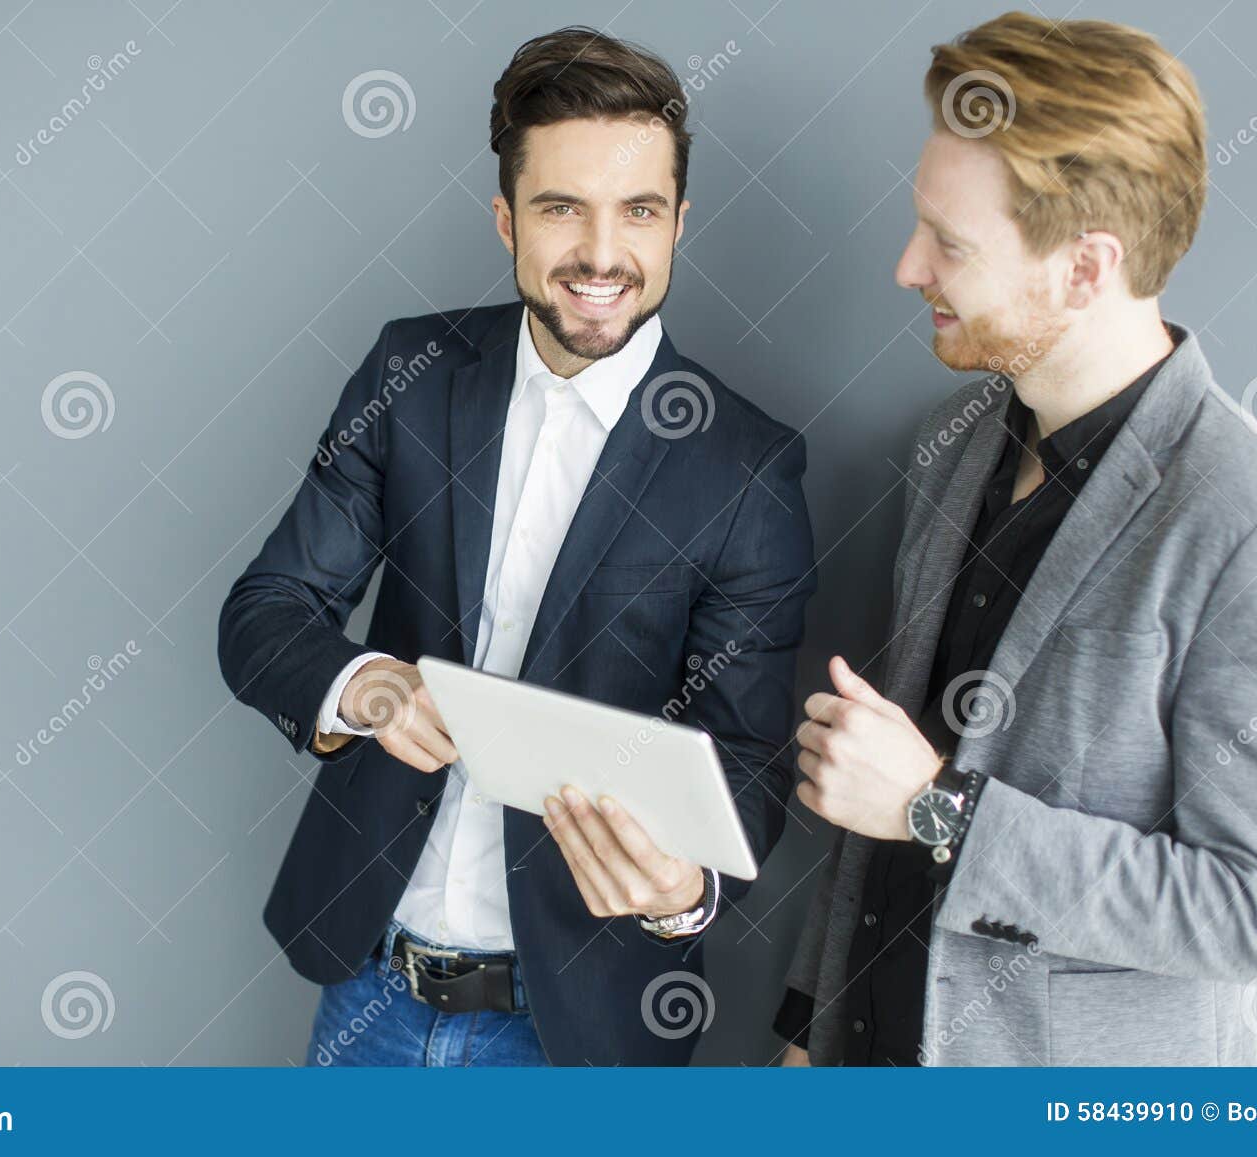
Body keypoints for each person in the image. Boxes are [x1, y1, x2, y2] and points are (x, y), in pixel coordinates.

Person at [219, 26, 816, 1066]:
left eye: (636, 210)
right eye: (560, 208)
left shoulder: (747, 468)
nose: (599, 251)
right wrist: (363, 685)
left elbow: (749, 764)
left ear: (678, 220)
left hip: (576, 1033)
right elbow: (266, 610)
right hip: (368, 993)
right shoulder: (410, 373)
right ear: (506, 219)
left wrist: (684, 894)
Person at [777, 11, 1257, 1066]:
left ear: (1085, 268)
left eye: (948, 241)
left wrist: (939, 811)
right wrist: (809, 1031)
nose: (906, 267)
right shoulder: (953, 451)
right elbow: (884, 795)